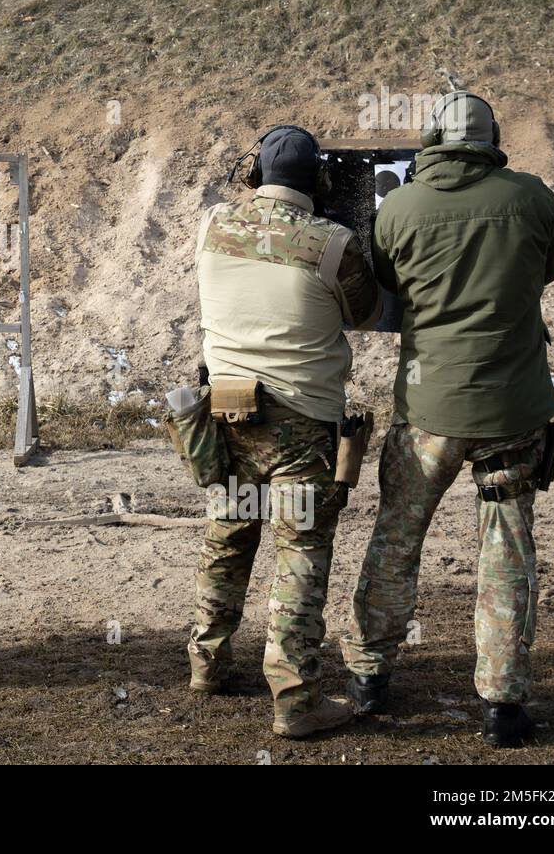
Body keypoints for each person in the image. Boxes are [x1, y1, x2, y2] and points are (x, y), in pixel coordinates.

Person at [341, 94, 554, 748]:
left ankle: (368, 675)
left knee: (396, 538)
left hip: (429, 411)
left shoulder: (401, 205)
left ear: (433, 138)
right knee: (505, 548)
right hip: (512, 412)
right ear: (492, 137)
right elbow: (552, 266)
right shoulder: (532, 196)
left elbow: (385, 281)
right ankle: (502, 703)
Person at [190, 125, 381, 739]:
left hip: (225, 415)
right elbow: (367, 311)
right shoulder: (334, 243)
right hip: (303, 425)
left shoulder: (213, 225)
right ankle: (295, 700)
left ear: (253, 174)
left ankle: (206, 664)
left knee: (228, 538)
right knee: (300, 552)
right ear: (319, 182)